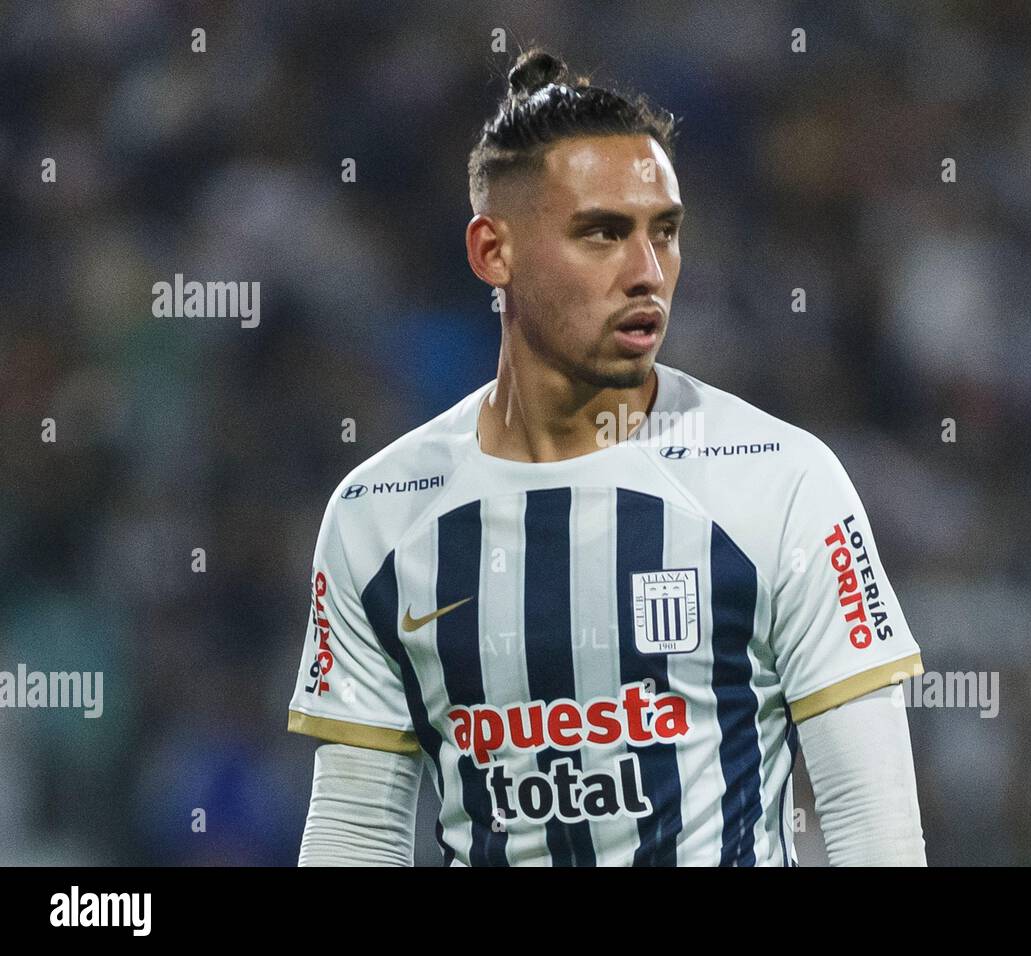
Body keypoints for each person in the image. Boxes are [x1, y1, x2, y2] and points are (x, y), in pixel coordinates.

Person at [288, 47, 926, 866]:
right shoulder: (381, 514)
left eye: (666, 232)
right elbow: (355, 834)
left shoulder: (780, 479)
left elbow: (873, 828)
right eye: (603, 234)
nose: (648, 272)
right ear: (493, 252)